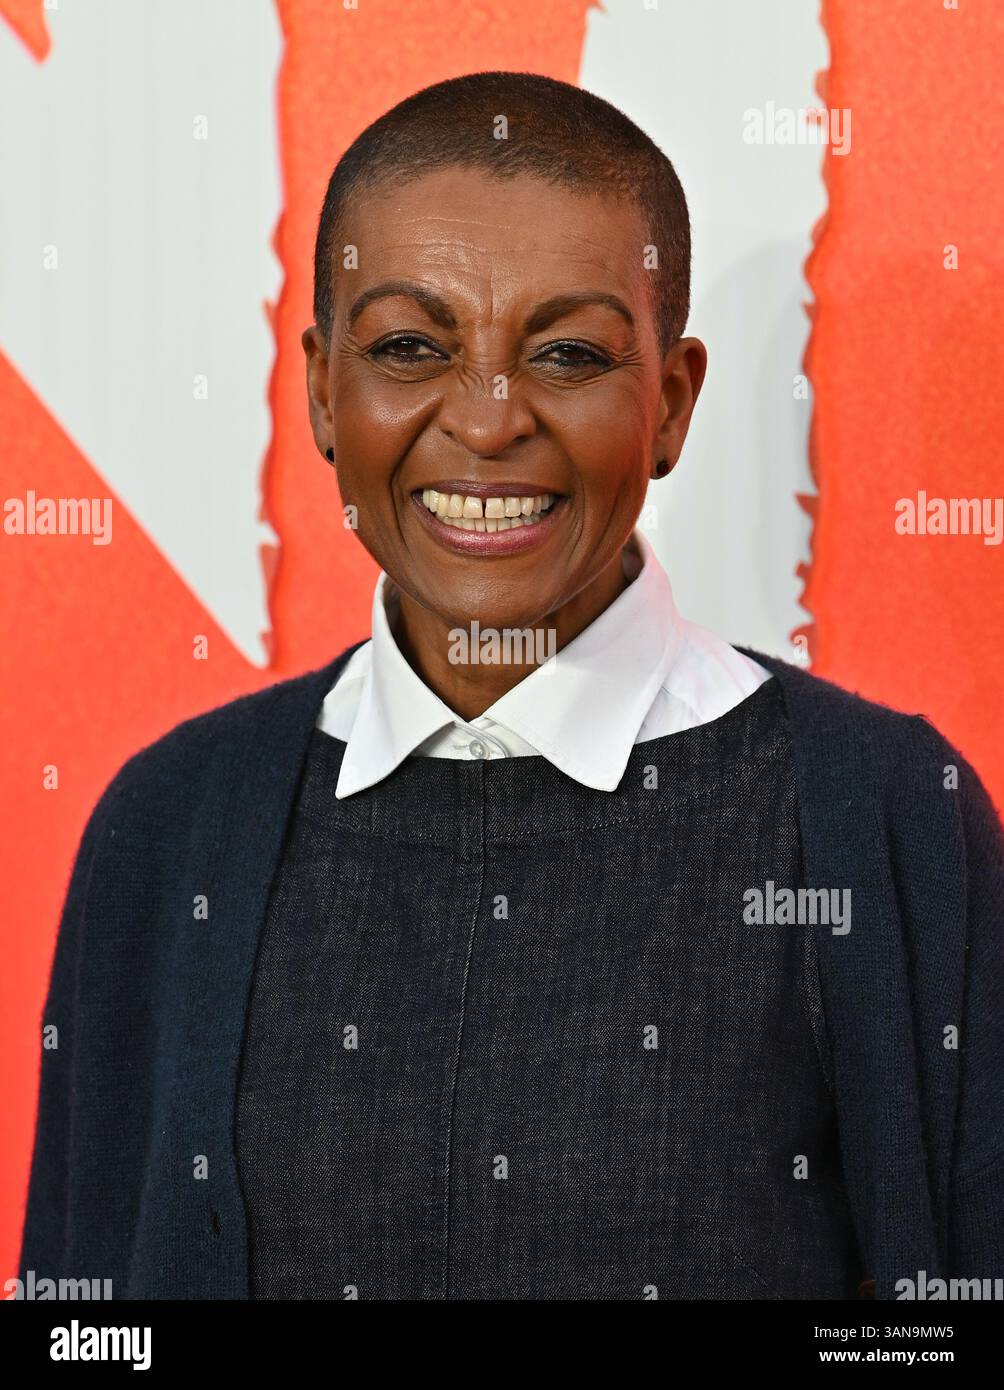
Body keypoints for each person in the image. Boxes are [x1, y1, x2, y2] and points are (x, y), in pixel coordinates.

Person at [18, 71, 1004, 1302]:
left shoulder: (886, 819)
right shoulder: (165, 828)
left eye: (570, 352)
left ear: (671, 405)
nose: (486, 423)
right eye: (409, 347)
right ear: (324, 390)